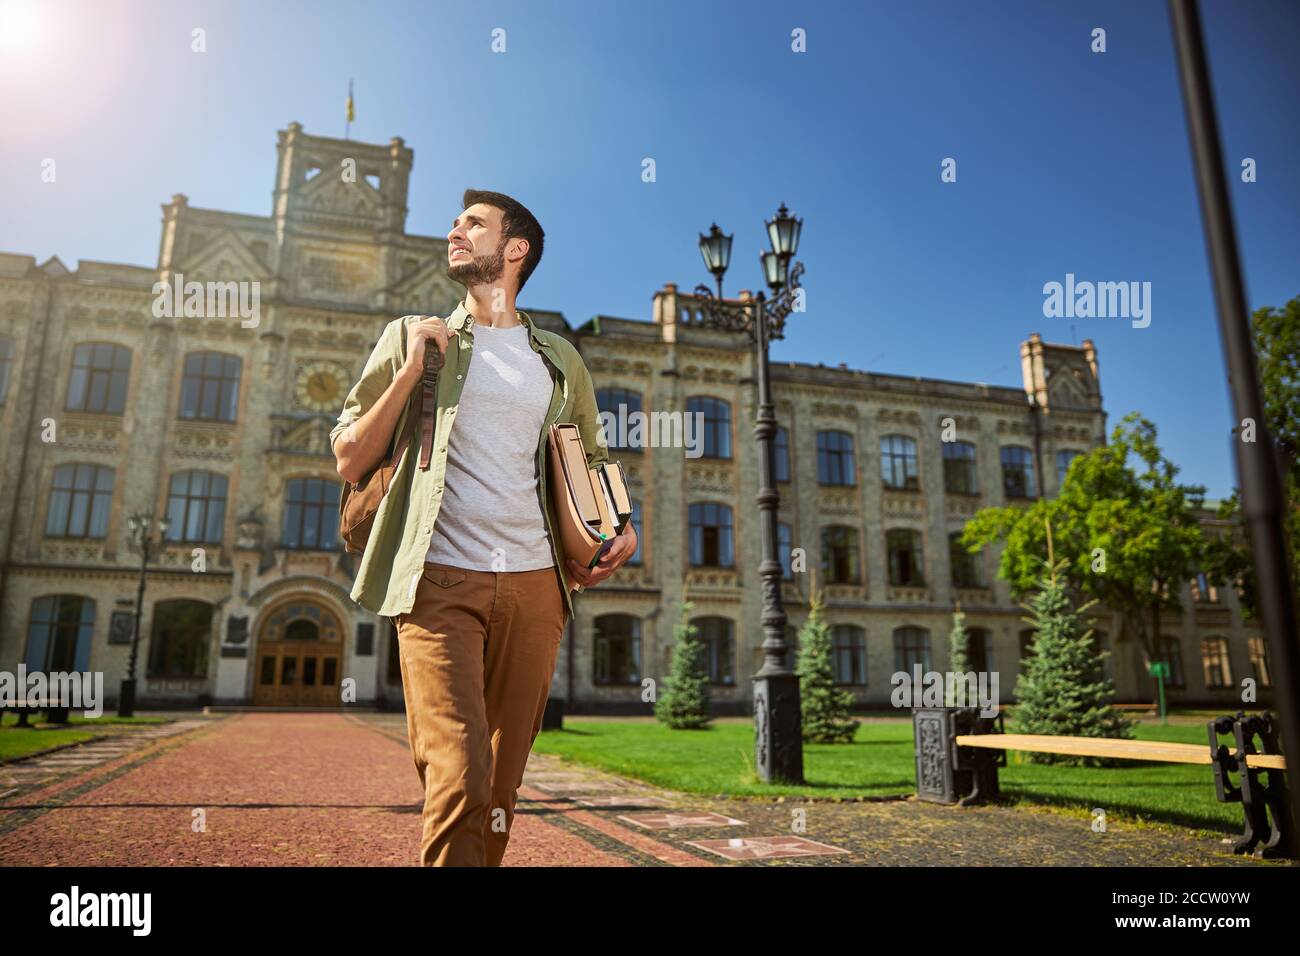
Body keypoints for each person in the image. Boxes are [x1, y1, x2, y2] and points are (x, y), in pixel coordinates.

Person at [330, 189, 638, 865]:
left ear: (516, 249)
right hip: (438, 582)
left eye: (473, 223)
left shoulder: (558, 357)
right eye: (455, 222)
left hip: (536, 588)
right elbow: (348, 454)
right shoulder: (412, 335)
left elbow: (592, 453)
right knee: (458, 773)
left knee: (499, 787)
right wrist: (412, 369)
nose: (454, 232)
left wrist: (622, 522)